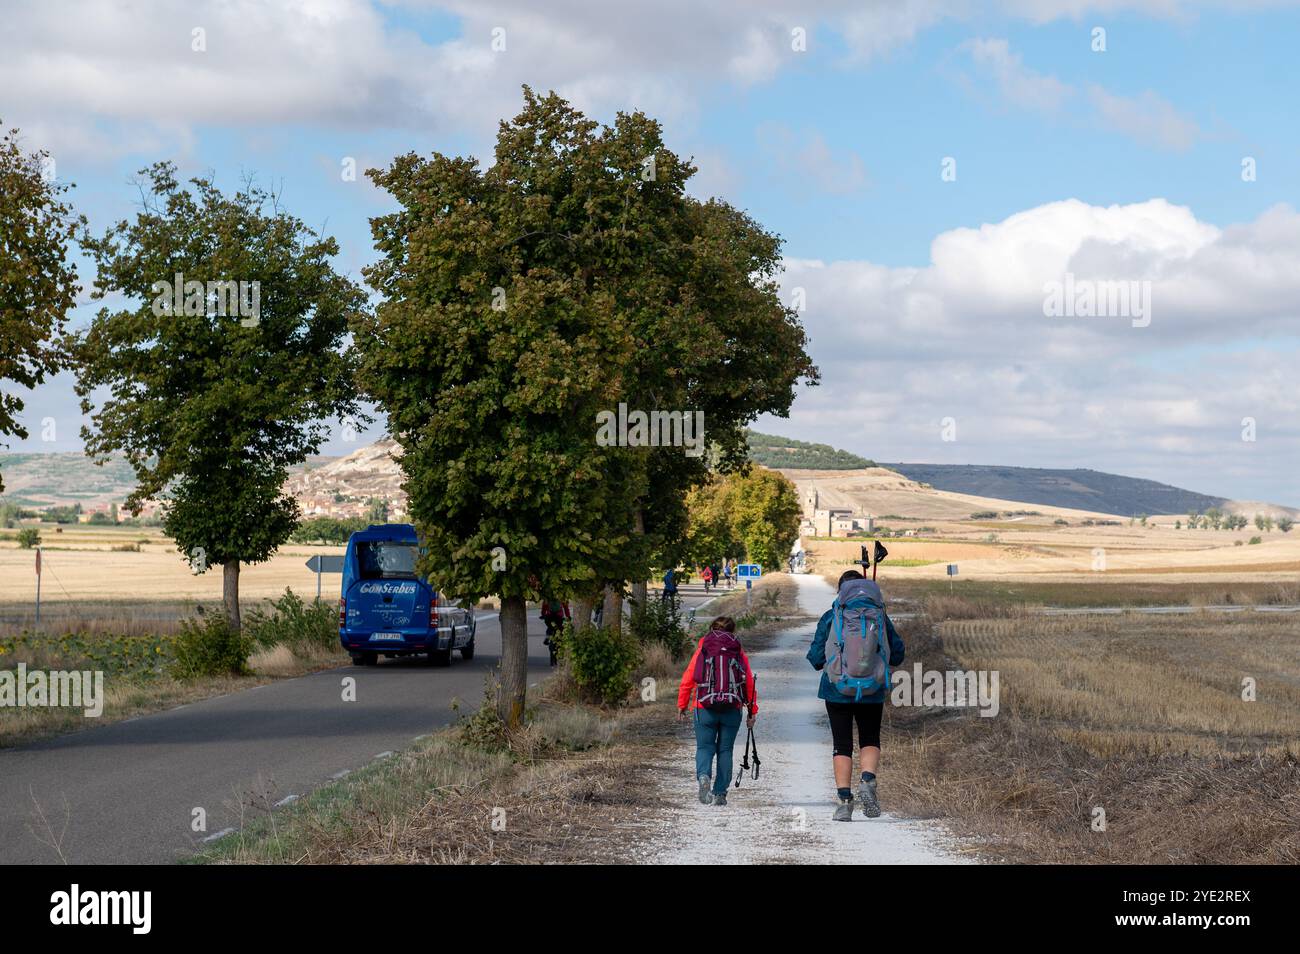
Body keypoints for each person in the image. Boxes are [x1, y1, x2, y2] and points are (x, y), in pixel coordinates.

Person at [806, 570, 904, 821]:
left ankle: (844, 802)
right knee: (870, 738)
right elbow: (897, 654)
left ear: (840, 591)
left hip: (837, 689)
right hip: (872, 688)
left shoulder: (832, 617)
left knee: (842, 744)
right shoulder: (879, 616)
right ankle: (868, 780)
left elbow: (817, 659)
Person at [677, 616, 757, 807]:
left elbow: (688, 678)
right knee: (725, 750)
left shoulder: (703, 649)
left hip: (704, 707)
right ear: (733, 631)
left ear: (711, 629)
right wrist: (752, 710)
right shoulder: (737, 651)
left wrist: (682, 704)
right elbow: (748, 683)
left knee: (704, 747)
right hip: (732, 707)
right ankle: (720, 793)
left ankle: (704, 776)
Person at [540, 599, 570, 666]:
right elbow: (566, 607)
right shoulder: (562, 596)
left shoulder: (548, 596)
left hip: (549, 617)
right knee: (561, 630)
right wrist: (568, 616)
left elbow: (544, 606)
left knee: (550, 627)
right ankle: (562, 641)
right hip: (559, 617)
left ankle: (547, 637)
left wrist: (543, 614)